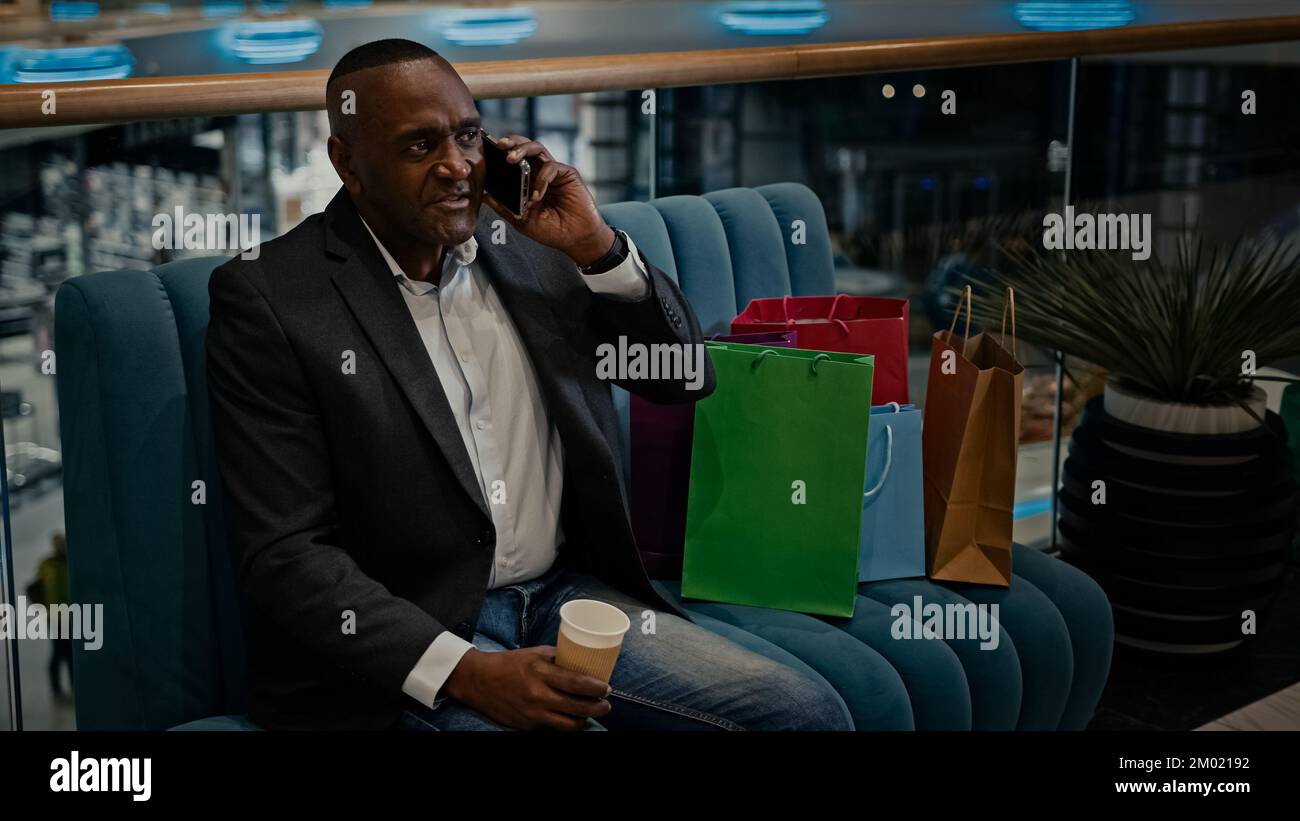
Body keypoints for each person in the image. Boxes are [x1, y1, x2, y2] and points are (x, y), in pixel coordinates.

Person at [206, 38, 850, 731]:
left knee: (806, 714)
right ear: (348, 163)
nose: (457, 166)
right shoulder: (274, 296)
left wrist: (597, 249)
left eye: (469, 136)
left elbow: (683, 377)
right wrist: (465, 669)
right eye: (421, 146)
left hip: (568, 600)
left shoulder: (532, 243)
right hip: (417, 638)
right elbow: (286, 554)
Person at [29, 531, 73, 698]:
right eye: (58, 543)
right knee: (60, 651)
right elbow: (37, 586)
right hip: (54, 616)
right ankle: (57, 687)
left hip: (70, 614)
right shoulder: (47, 564)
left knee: (69, 651)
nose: (60, 546)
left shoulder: (68, 562)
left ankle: (73, 685)